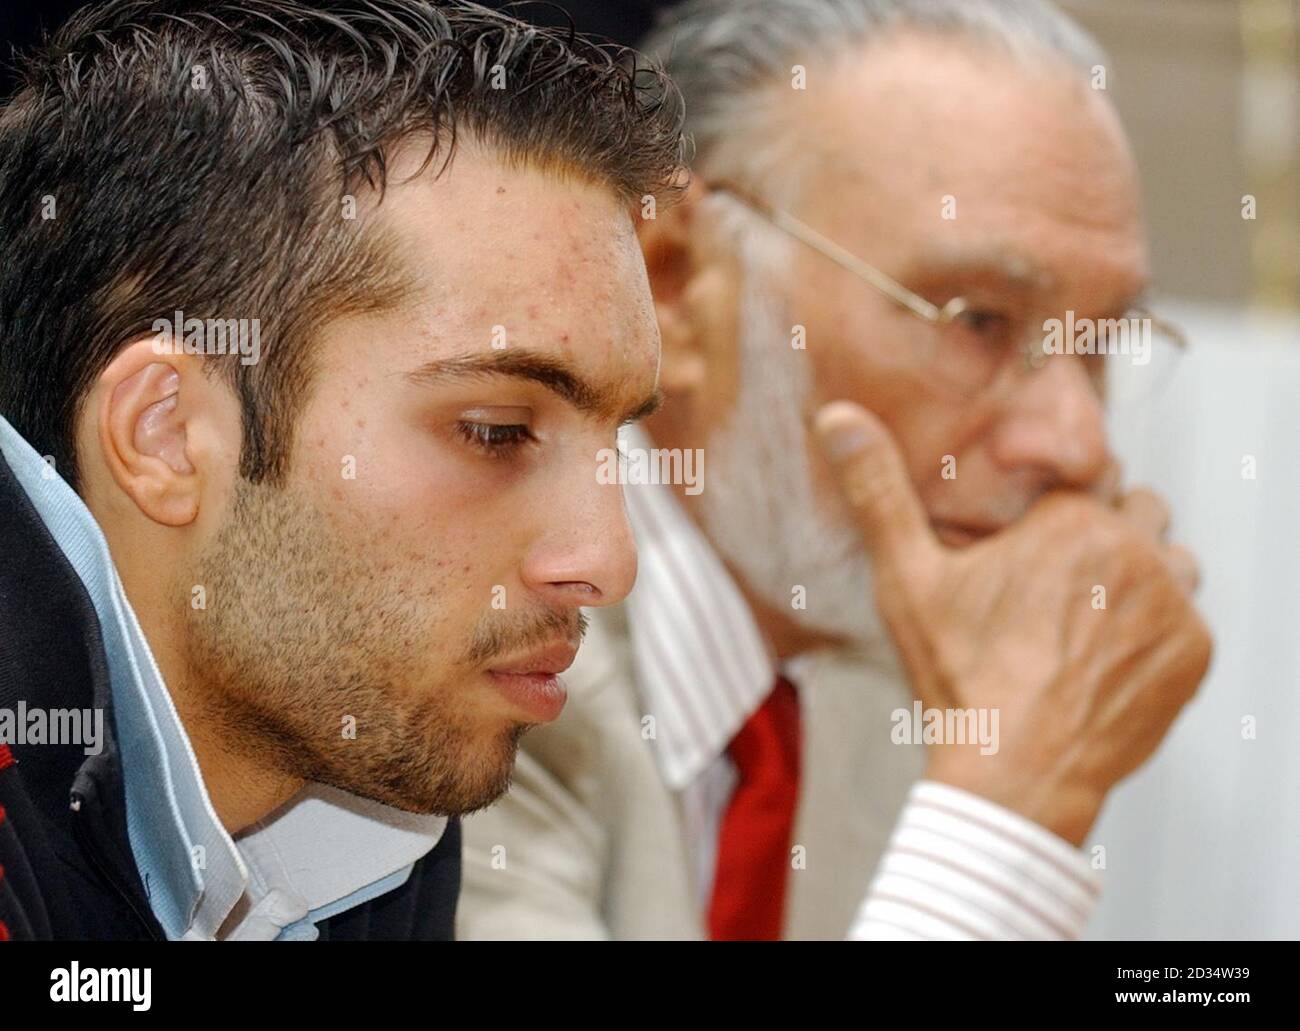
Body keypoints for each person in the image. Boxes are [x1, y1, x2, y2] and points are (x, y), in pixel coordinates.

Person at [458, 0, 1212, 940]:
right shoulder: (466, 648)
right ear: (678, 281)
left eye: (1099, 342)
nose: (1078, 441)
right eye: (977, 320)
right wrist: (1006, 807)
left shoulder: (921, 675)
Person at [0, 0, 683, 941]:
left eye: (612, 444)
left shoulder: (369, 790)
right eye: (494, 430)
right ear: (165, 434)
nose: (607, 561)